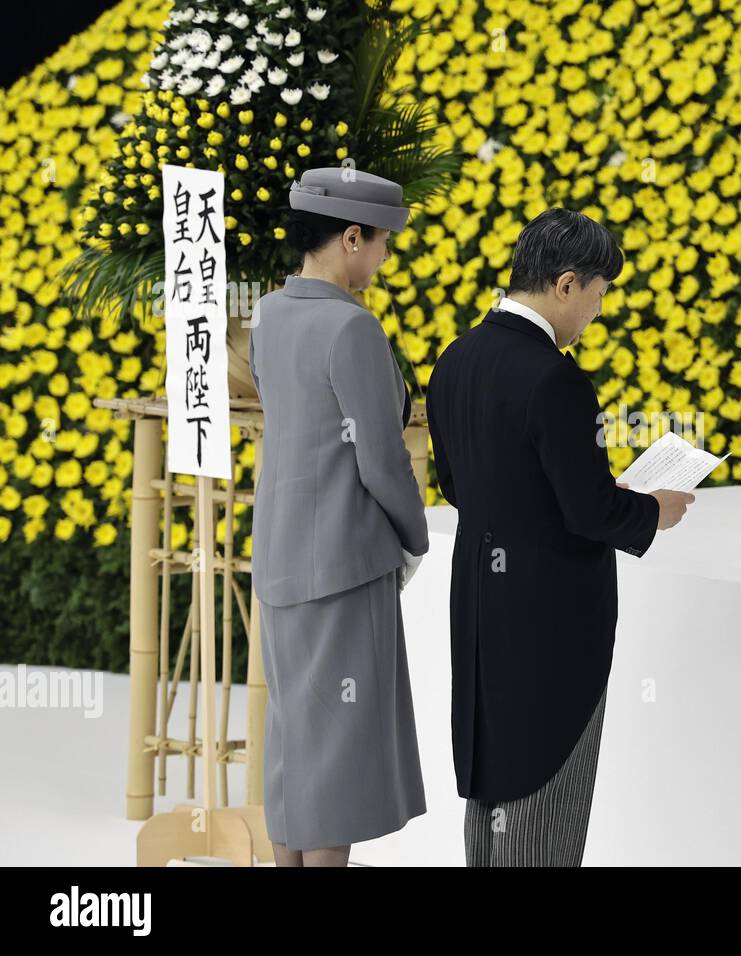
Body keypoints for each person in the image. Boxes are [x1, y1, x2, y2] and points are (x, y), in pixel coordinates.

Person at [426, 207, 695, 866]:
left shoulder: (455, 360)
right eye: (598, 296)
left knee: (491, 785)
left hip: (482, 606)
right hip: (551, 619)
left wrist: (592, 500)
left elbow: (456, 484)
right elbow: (588, 514)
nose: (596, 314)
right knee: (547, 795)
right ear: (567, 284)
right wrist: (651, 510)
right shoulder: (555, 379)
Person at [248, 166, 429, 866]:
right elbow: (381, 459)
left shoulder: (268, 315)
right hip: (346, 562)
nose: (385, 259)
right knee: (342, 754)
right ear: (351, 237)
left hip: (283, 552)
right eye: (382, 243)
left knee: (294, 739)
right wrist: (413, 538)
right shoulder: (352, 327)